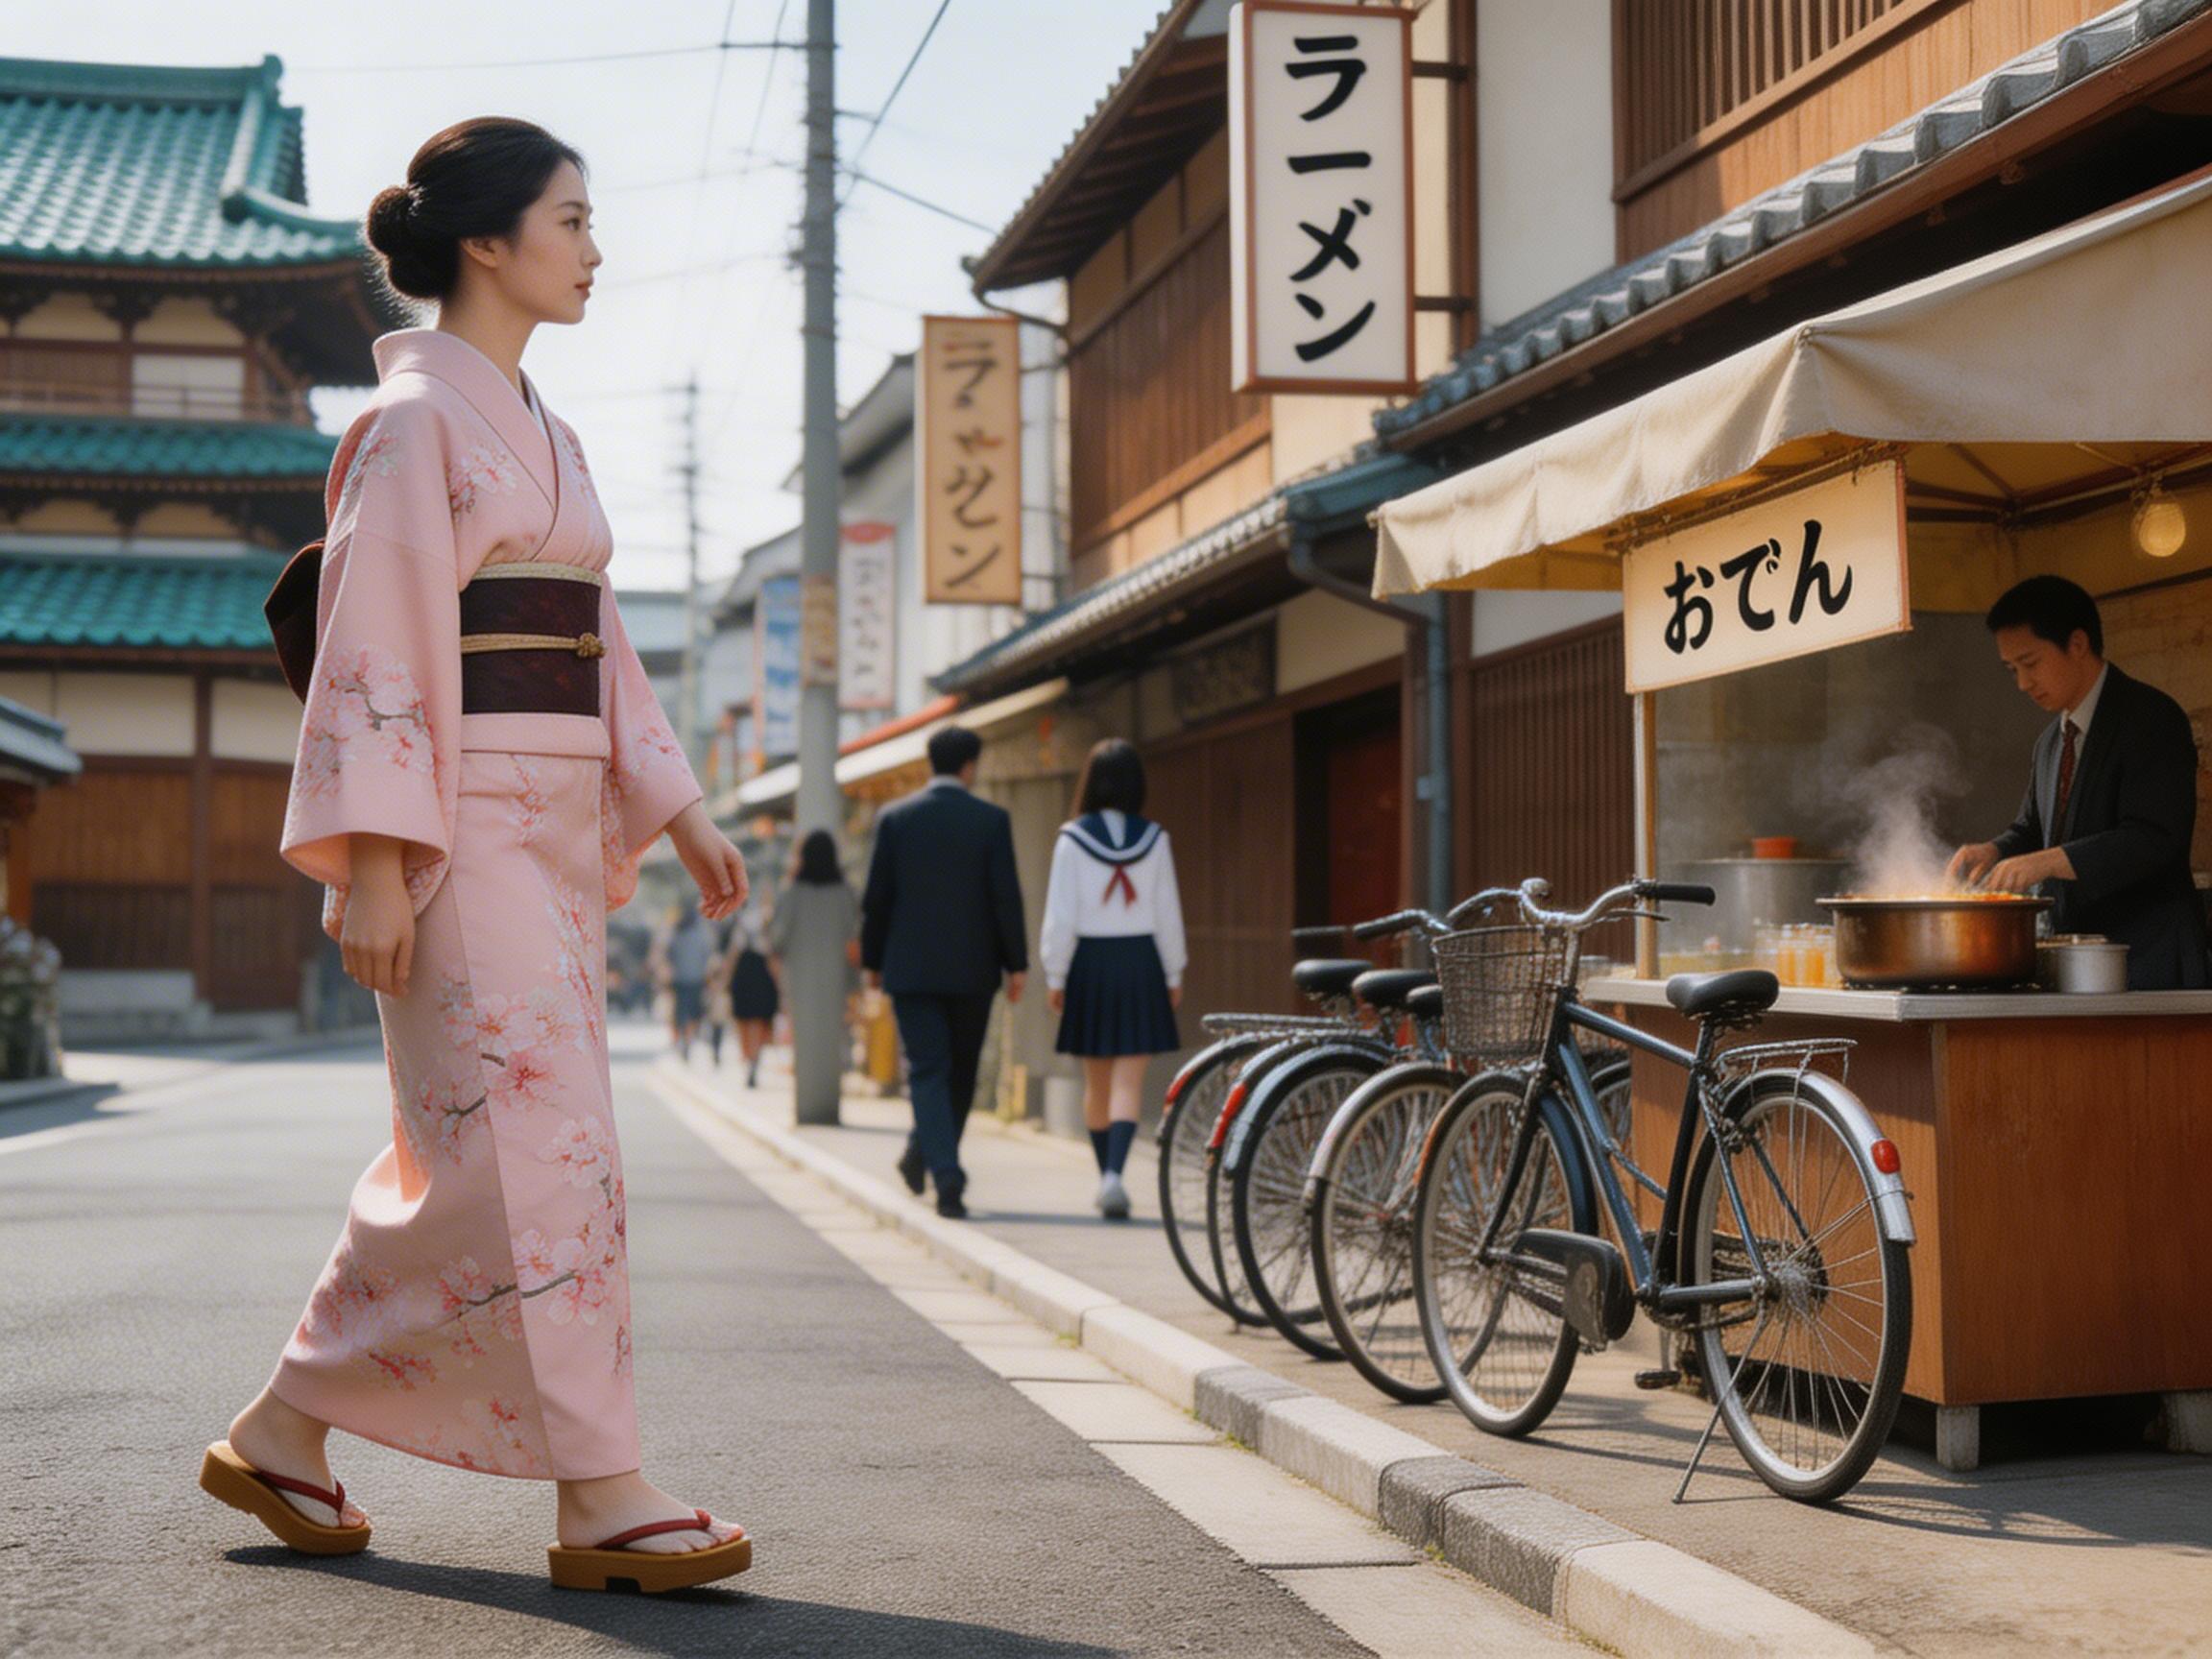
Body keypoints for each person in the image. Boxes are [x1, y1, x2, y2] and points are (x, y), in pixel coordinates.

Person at [202, 119, 754, 1595]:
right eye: (571, 219)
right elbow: (374, 641)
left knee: (481, 1162)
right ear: (488, 244)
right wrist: (375, 858)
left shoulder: (546, 436)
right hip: (454, 829)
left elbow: (598, 640)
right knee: (542, 1149)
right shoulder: (413, 424)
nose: (593, 246)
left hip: (555, 831)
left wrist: (681, 805)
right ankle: (600, 1489)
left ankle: (281, 1427)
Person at [1947, 575, 2209, 990]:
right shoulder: (2051, 741)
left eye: (2031, 664)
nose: (2022, 683)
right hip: (2079, 958)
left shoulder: (2150, 717)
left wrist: (2048, 861)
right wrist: (1994, 850)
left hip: (2152, 956)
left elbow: (2154, 837)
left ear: (2078, 643)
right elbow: (2033, 830)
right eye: (2012, 669)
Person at [860, 726, 1026, 1218]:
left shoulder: (895, 819)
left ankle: (924, 1157)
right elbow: (1006, 899)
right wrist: (1016, 964)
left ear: (930, 764)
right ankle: (947, 1174)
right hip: (974, 971)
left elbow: (878, 902)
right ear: (970, 766)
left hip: (910, 970)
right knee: (960, 1072)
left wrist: (873, 962)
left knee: (928, 1070)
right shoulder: (991, 821)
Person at [1042, 739, 1187, 1219]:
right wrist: (1173, 970)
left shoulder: (1071, 838)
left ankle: (1105, 1177)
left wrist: (1056, 973)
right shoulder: (1156, 838)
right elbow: (1168, 913)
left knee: (1096, 1083)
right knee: (1130, 1082)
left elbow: (1060, 916)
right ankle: (1115, 1178)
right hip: (1141, 960)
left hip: (1090, 962)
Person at [766, 830, 857, 1093]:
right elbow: (854, 932)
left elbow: (777, 937)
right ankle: (830, 1092)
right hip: (836, 975)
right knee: (832, 1035)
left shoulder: (791, 892)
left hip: (798, 976)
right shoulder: (845, 892)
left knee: (803, 1034)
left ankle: (807, 1093)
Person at [724, 901, 780, 1089]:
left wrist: (726, 980)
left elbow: (733, 954)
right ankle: (754, 1060)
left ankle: (749, 1060)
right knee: (759, 1022)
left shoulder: (742, 926)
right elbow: (774, 957)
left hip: (744, 974)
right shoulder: (769, 927)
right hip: (763, 976)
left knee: (745, 1022)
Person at [662, 898, 714, 1061]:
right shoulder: (701, 933)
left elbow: (668, 954)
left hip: (679, 978)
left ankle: (682, 1039)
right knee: (693, 1012)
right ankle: (688, 1040)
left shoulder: (676, 932)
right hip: (696, 978)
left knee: (680, 1012)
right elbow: (707, 955)